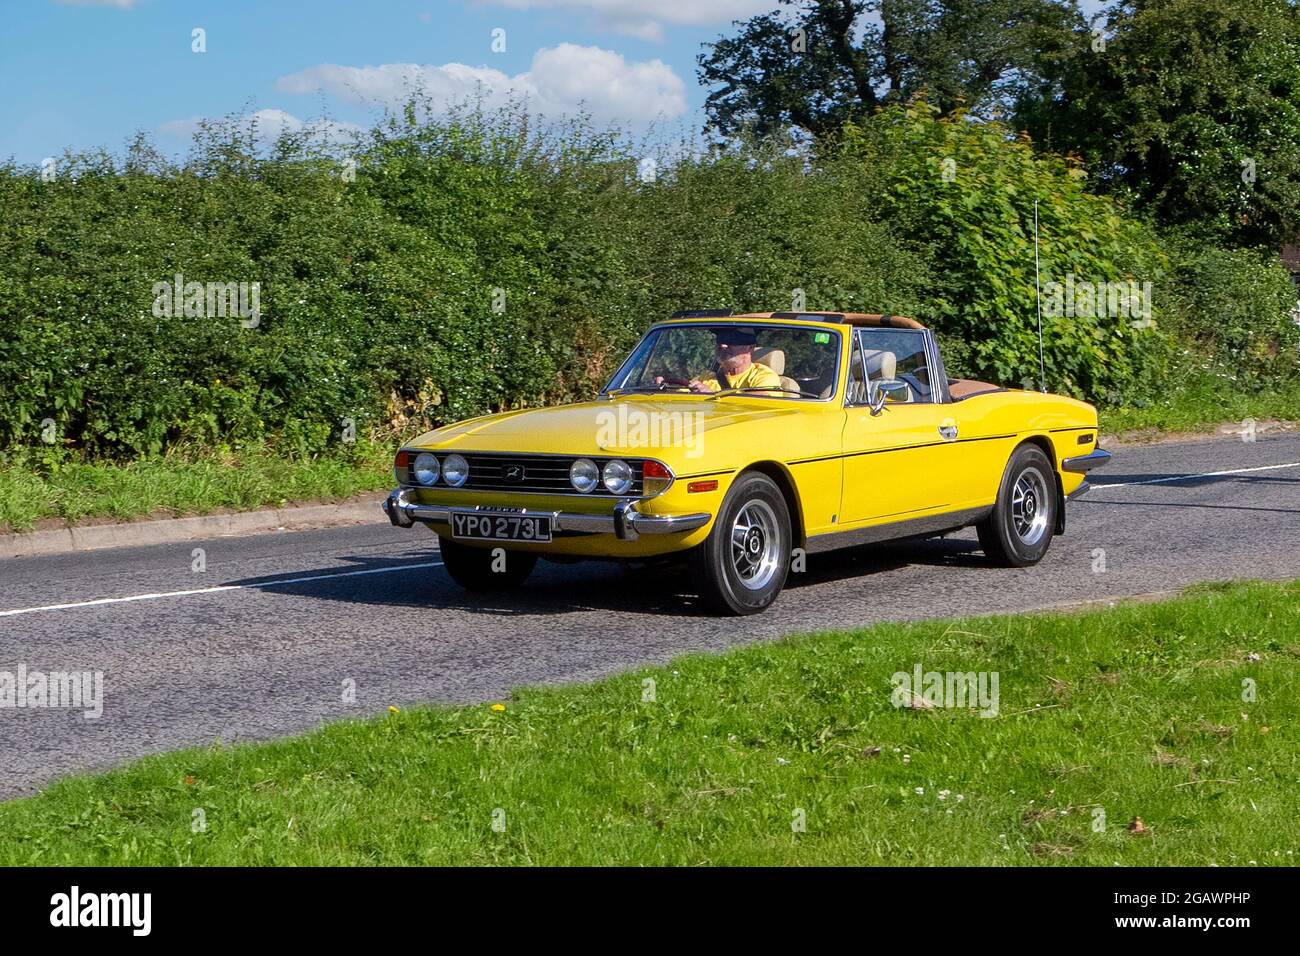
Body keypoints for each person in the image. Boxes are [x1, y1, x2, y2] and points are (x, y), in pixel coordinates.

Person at [688, 329, 782, 394]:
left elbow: (764, 401)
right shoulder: (707, 377)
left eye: (732, 340)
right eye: (719, 340)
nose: (723, 345)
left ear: (750, 348)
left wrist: (713, 395)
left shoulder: (763, 375)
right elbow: (681, 393)